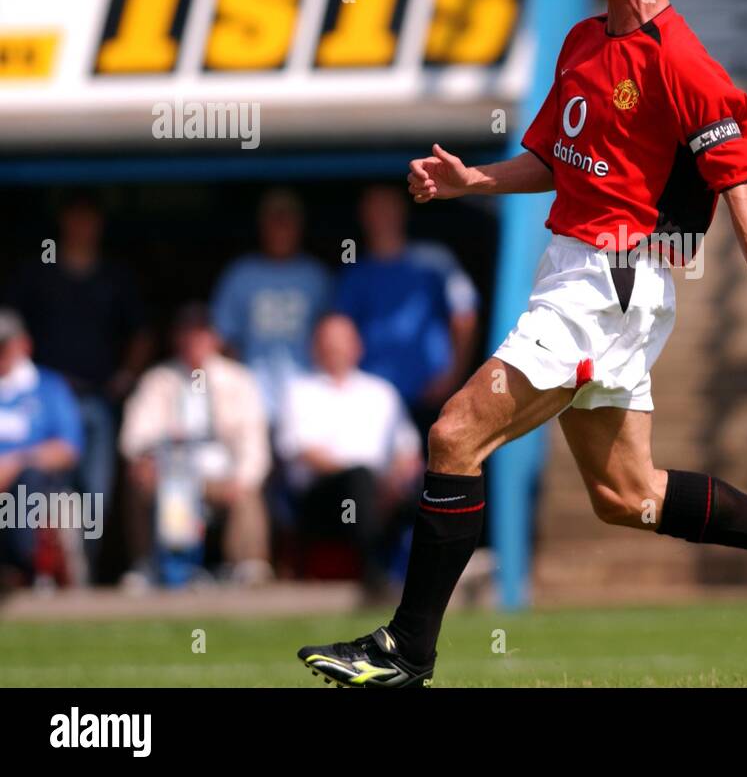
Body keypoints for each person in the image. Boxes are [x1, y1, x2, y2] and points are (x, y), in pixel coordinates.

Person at [299, 0, 747, 688]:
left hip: (612, 279)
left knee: (455, 435)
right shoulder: (581, 41)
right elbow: (556, 160)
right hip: (571, 266)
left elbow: (743, 187)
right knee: (623, 492)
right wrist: (476, 183)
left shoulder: (684, 63)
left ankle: (407, 651)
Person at [2, 193, 152, 578]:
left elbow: (140, 332)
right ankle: (37, 572)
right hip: (47, 400)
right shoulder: (40, 271)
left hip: (95, 399)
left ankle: (84, 577)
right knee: (39, 489)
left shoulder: (114, 276)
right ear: (64, 222)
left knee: (94, 497)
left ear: (99, 224)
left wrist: (126, 377)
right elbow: (13, 327)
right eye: (75, 217)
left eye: (89, 218)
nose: (82, 226)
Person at [118, 304, 271, 587]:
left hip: (220, 477)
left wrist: (242, 479)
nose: (194, 343)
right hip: (171, 475)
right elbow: (132, 438)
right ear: (177, 339)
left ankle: (247, 567)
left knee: (248, 491)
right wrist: (149, 457)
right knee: (139, 479)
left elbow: (254, 445)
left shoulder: (239, 380)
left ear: (215, 339)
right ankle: (148, 565)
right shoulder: (157, 380)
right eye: (187, 335)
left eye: (200, 335)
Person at [278, 315, 423, 590]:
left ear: (358, 346)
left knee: (430, 487)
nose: (335, 350)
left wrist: (392, 480)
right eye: (328, 343)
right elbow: (301, 450)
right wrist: (364, 478)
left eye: (342, 343)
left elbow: (408, 450)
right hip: (322, 498)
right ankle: (373, 572)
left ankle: (436, 575)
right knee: (359, 480)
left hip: (383, 492)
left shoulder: (382, 392)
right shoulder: (299, 390)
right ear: (314, 347)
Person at [334, 185, 479, 429]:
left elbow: (465, 316)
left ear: (402, 212)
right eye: (374, 210)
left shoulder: (435, 260)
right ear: (363, 216)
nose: (381, 217)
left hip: (429, 391)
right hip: (372, 396)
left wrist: (453, 375)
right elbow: (339, 331)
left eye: (387, 209)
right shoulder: (354, 272)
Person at [211, 189, 333, 424]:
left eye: (288, 218)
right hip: (251, 396)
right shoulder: (241, 274)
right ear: (262, 224)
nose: (281, 226)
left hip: (308, 395)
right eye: (274, 219)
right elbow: (223, 340)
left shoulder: (315, 276)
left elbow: (331, 339)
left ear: (300, 224)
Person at [0, 310, 84, 588]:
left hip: (33, 485)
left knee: (28, 481)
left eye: (4, 345)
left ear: (23, 344)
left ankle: (23, 565)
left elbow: (67, 449)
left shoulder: (49, 387)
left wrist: (15, 463)